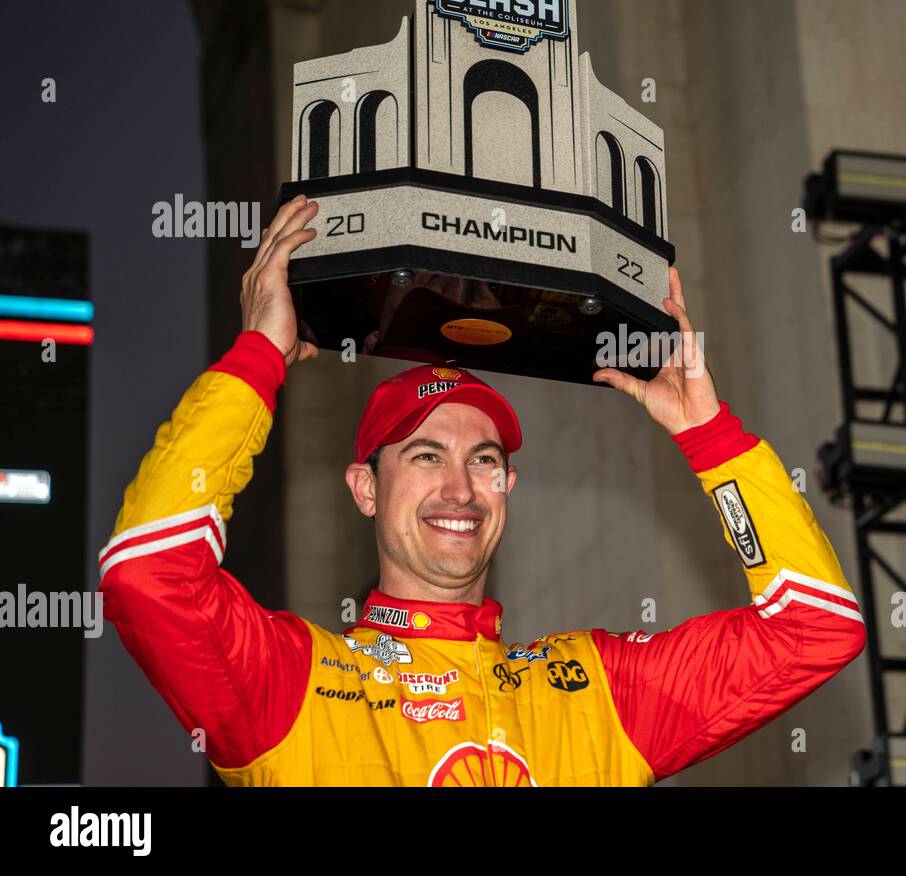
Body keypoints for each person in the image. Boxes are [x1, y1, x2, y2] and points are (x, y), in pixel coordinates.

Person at [100, 194, 867, 786]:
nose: (462, 489)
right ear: (365, 488)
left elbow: (817, 629)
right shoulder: (295, 685)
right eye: (427, 456)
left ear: (510, 486)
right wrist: (255, 362)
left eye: (486, 461)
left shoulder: (596, 687)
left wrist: (712, 436)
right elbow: (146, 573)